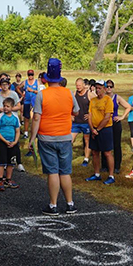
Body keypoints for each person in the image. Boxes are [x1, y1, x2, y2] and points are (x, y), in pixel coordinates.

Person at [28, 58, 80, 215]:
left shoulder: (42, 95)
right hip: (65, 136)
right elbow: (76, 112)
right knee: (65, 171)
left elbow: (36, 118)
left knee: (53, 171)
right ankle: (70, 203)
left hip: (47, 137)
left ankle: (53, 205)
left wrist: (32, 138)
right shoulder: (69, 93)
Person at [85, 79, 116, 185]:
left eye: (100, 88)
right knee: (94, 152)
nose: (98, 90)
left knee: (107, 153)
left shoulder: (108, 100)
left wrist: (98, 129)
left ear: (104, 88)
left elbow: (107, 117)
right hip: (94, 129)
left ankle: (111, 175)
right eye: (96, 88)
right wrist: (92, 129)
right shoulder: (93, 101)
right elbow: (89, 115)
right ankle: (97, 174)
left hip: (105, 129)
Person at [0, 76, 22, 174]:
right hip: (2, 120)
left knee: (14, 146)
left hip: (13, 119)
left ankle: (18, 163)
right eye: (3, 84)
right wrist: (1, 109)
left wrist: (10, 109)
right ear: (0, 85)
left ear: (9, 85)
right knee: (2, 154)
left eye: (6, 84)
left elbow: (19, 106)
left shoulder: (14, 94)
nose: (5, 86)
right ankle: (1, 176)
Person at [0, 98, 22, 191]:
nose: (5, 108)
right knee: (1, 161)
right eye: (4, 106)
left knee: (11, 162)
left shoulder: (15, 118)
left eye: (8, 106)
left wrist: (15, 141)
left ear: (12, 107)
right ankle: (0, 179)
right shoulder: (0, 117)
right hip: (2, 142)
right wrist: (4, 141)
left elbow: (17, 131)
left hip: (12, 142)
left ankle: (8, 179)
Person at [106, 80, 132, 174]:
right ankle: (105, 166)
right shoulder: (102, 97)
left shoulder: (117, 98)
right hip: (105, 124)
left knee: (116, 145)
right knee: (105, 145)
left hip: (115, 123)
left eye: (110, 86)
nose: (109, 88)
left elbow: (128, 107)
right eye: (107, 86)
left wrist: (122, 117)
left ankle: (117, 166)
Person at [72, 78, 92, 167]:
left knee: (87, 140)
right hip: (75, 122)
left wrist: (90, 115)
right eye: (77, 85)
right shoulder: (74, 94)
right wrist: (70, 115)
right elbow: (68, 105)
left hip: (86, 122)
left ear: (84, 85)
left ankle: (86, 159)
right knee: (70, 140)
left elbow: (97, 104)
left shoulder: (89, 94)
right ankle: (67, 157)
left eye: (79, 85)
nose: (78, 87)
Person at [21, 69, 39, 137]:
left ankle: (36, 132)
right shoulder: (25, 82)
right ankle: (26, 133)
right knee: (26, 117)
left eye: (31, 74)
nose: (30, 76)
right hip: (27, 102)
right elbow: (18, 87)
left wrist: (32, 91)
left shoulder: (37, 82)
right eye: (29, 75)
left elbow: (40, 92)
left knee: (35, 117)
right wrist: (22, 94)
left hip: (35, 102)